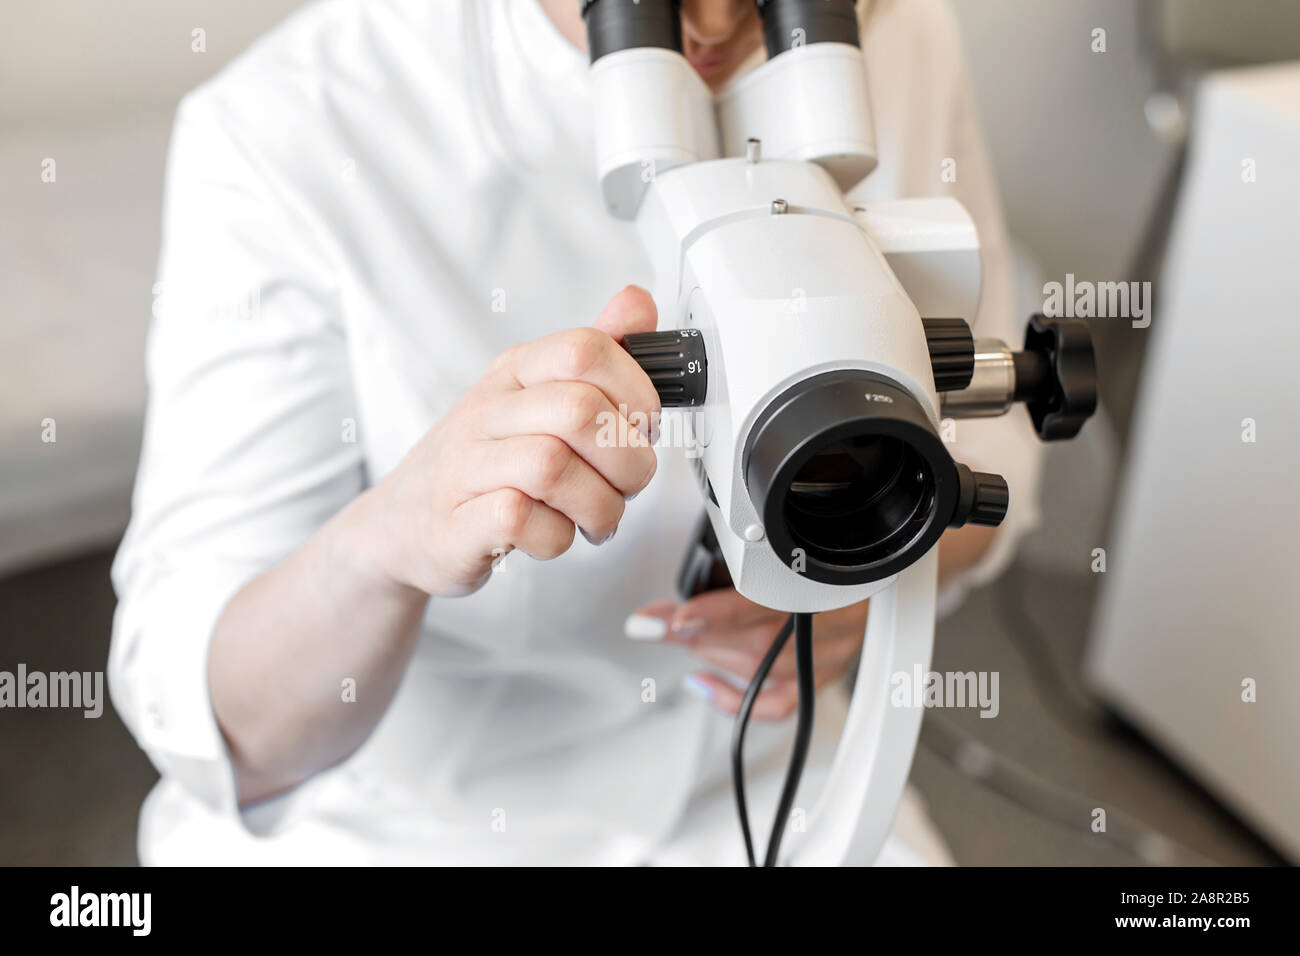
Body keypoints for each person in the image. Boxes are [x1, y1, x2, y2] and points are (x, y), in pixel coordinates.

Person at [109, 0, 1043, 865]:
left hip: (759, 772)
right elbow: (222, 720)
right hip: (400, 821)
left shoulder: (906, 33)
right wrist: (388, 543)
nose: (717, 19)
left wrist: (868, 586)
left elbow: (990, 466)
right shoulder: (287, 124)